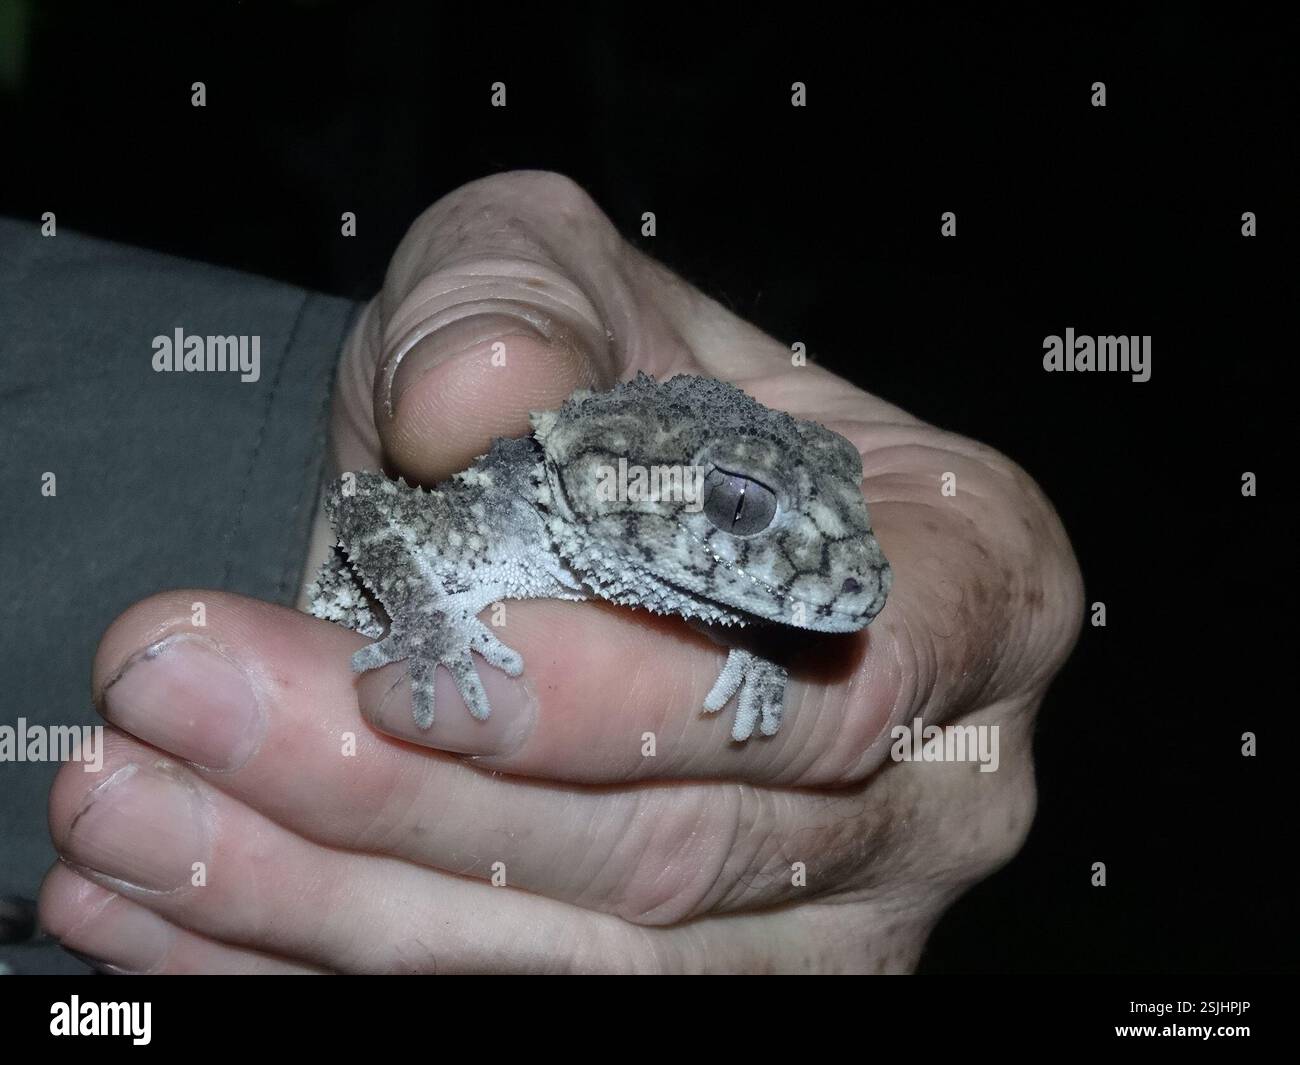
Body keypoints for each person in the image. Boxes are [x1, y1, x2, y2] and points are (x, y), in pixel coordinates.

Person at [15, 171, 1082, 973]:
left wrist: (765, 643)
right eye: (741, 508)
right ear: (608, 483)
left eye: (828, 501)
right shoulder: (500, 506)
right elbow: (367, 508)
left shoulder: (663, 548)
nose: (847, 566)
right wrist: (427, 627)